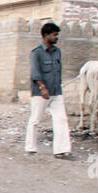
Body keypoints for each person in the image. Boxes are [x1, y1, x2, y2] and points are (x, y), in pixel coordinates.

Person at [25, 22, 72, 157]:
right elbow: (35, 72)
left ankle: (61, 150)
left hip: (56, 92)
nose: (57, 37)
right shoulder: (36, 53)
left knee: (61, 119)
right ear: (46, 35)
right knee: (35, 120)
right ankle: (30, 147)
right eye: (54, 35)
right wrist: (42, 87)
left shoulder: (57, 52)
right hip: (41, 93)